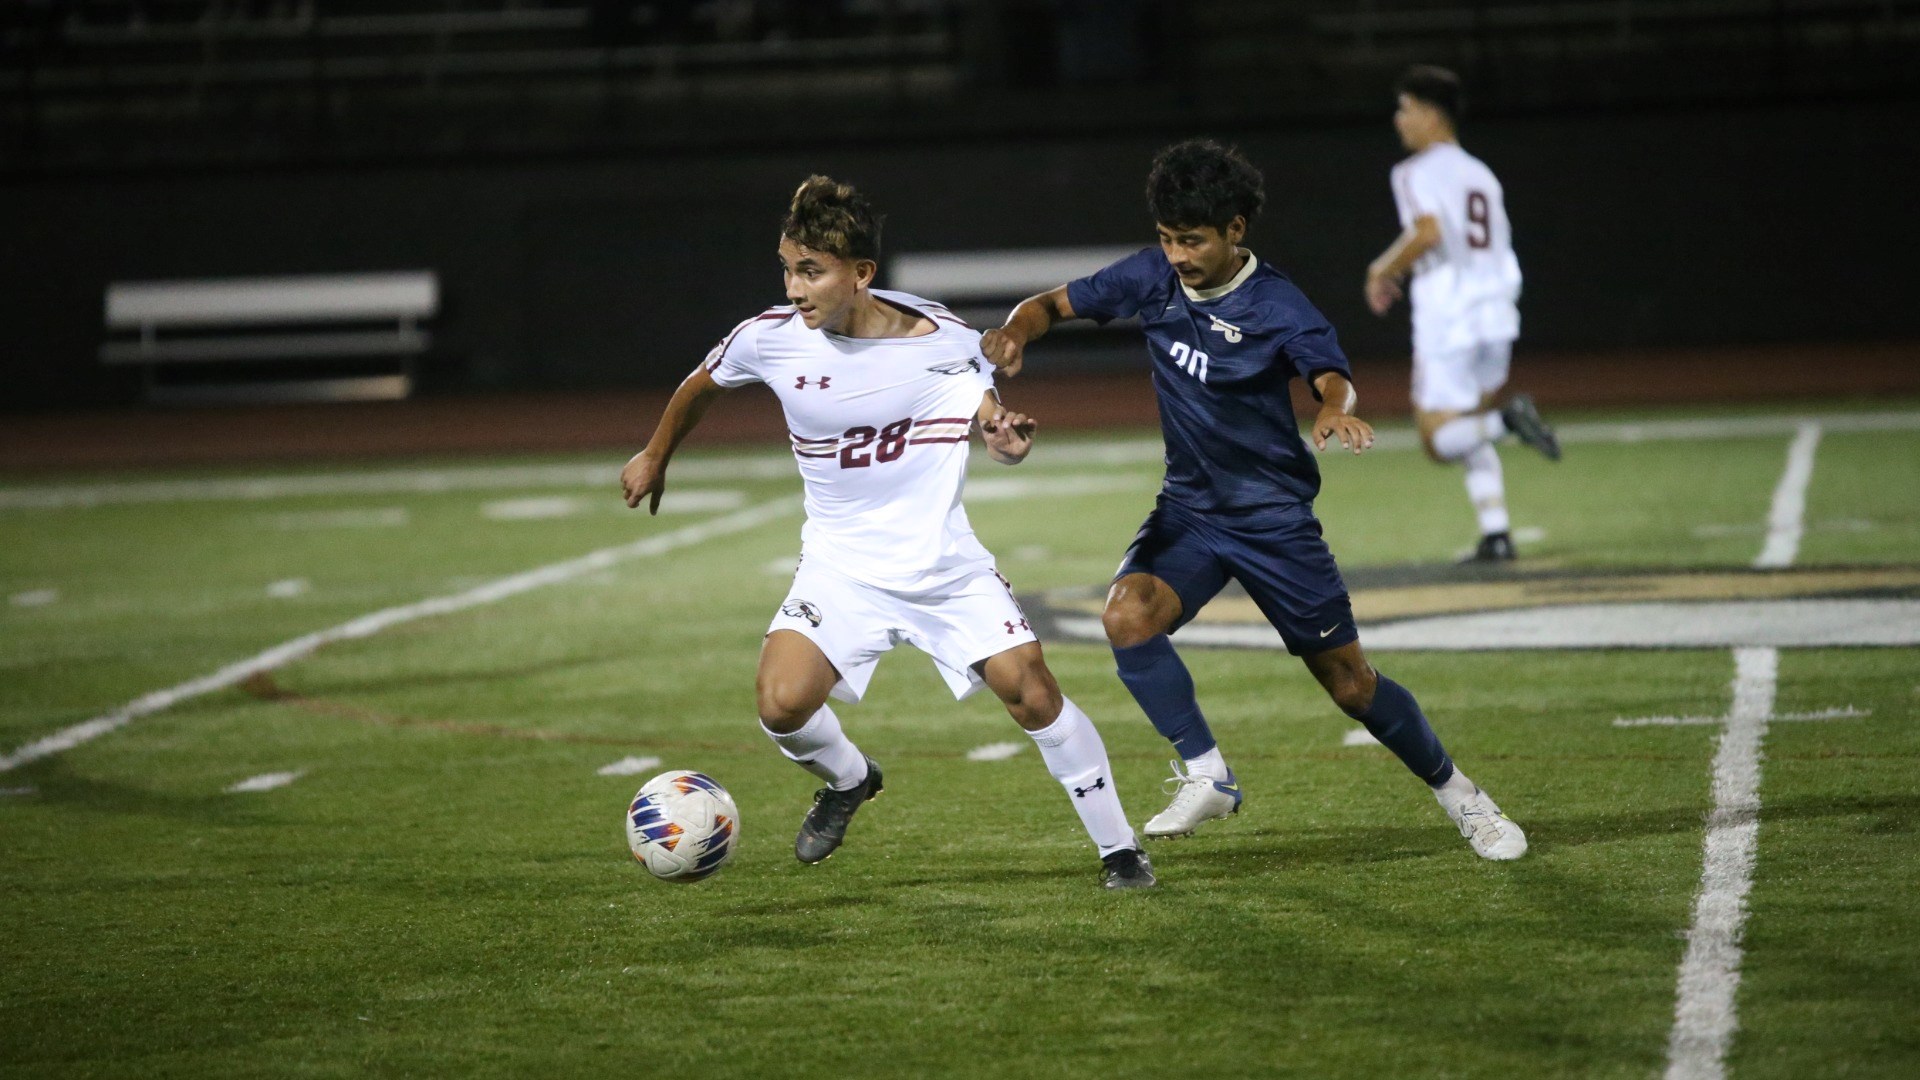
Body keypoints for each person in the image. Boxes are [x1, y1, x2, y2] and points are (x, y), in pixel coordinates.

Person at [980, 140, 1527, 859]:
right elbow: (1051, 304)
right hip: (1189, 512)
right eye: (1168, 238)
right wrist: (1015, 332)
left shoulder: (1276, 303)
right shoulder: (1150, 276)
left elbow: (1331, 374)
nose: (1176, 255)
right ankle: (1208, 774)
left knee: (1351, 685)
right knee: (1128, 616)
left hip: (1272, 518)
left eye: (1193, 240)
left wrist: (1332, 409)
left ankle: (1464, 797)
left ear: (1235, 230)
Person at [620, 176, 1155, 889]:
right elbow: (701, 385)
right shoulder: (768, 339)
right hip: (840, 569)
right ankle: (850, 779)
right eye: (787, 268)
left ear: (861, 273)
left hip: (943, 570)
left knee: (1031, 691)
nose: (794, 288)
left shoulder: (942, 340)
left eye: (811, 272)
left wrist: (1004, 439)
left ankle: (1120, 851)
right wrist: (656, 453)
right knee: (781, 706)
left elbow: (989, 418)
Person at [1365, 64, 1561, 563]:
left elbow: (1428, 232)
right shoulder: (1481, 173)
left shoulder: (1413, 172)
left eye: (1406, 109)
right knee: (1469, 421)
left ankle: (1509, 421)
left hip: (1450, 314)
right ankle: (1497, 532)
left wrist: (1382, 270)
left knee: (1437, 439)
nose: (1399, 119)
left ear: (1431, 115)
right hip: (1497, 311)